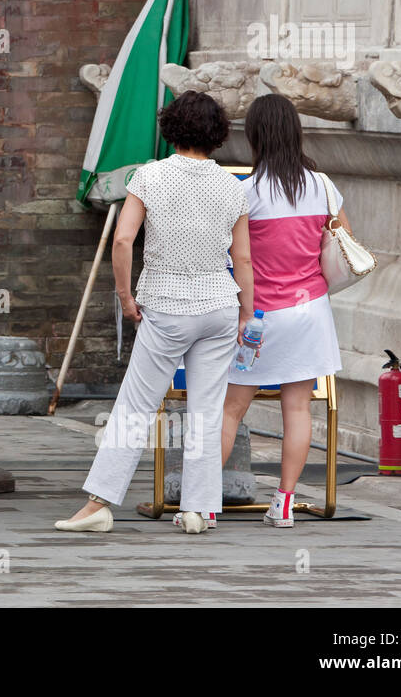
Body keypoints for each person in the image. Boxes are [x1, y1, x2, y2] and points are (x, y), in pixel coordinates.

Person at [55, 91, 254, 534]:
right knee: (207, 409)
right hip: (220, 305)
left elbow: (123, 241)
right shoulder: (231, 186)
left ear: (172, 129)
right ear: (217, 133)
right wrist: (247, 312)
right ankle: (198, 509)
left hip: (166, 305)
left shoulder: (149, 177)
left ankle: (100, 503)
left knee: (135, 408)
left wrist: (126, 297)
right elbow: (242, 259)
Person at [220, 94, 348, 529]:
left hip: (258, 318)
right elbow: (345, 243)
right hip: (310, 313)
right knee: (297, 409)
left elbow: (233, 257)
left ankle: (203, 503)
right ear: (295, 132)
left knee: (231, 408)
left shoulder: (245, 192)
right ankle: (285, 502)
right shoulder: (323, 186)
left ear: (255, 136)